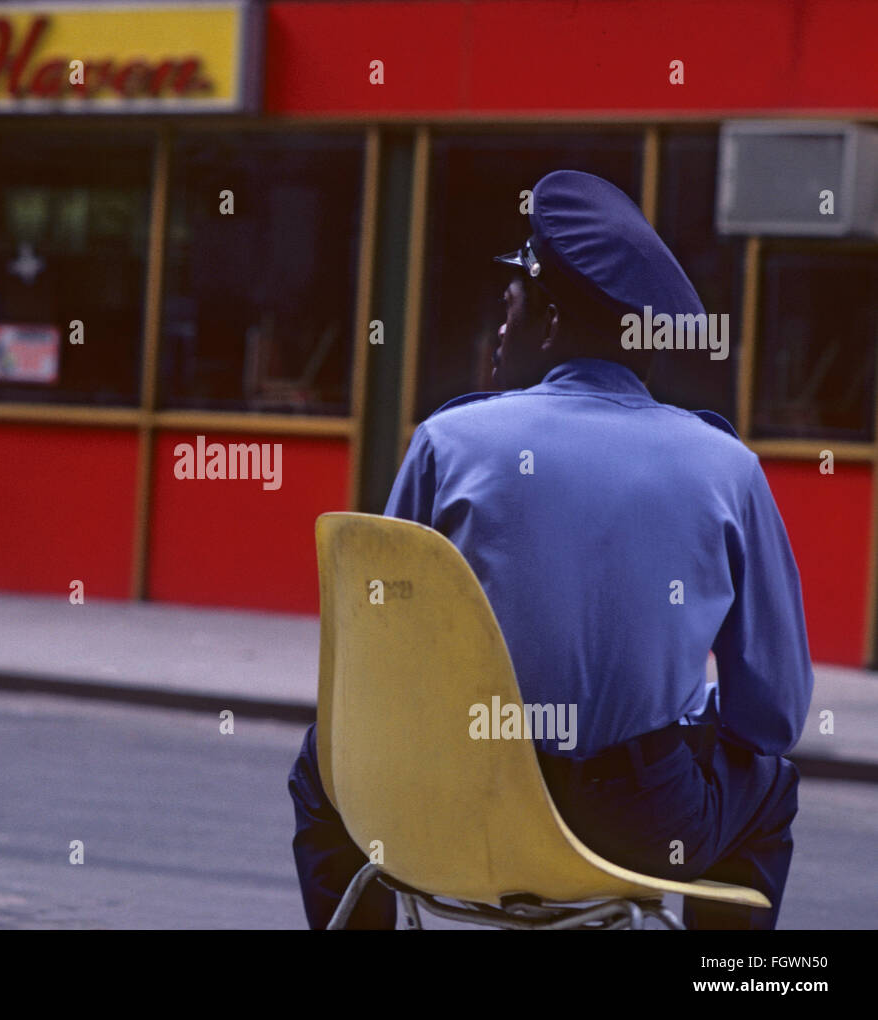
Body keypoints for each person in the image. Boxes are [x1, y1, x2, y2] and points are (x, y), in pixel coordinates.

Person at [288, 170, 813, 930]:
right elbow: (771, 717)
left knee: (322, 763)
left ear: (550, 315)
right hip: (639, 826)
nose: (499, 330)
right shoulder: (726, 467)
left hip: (447, 807)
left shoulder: (448, 442)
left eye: (511, 306)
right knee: (770, 785)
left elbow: (380, 673)